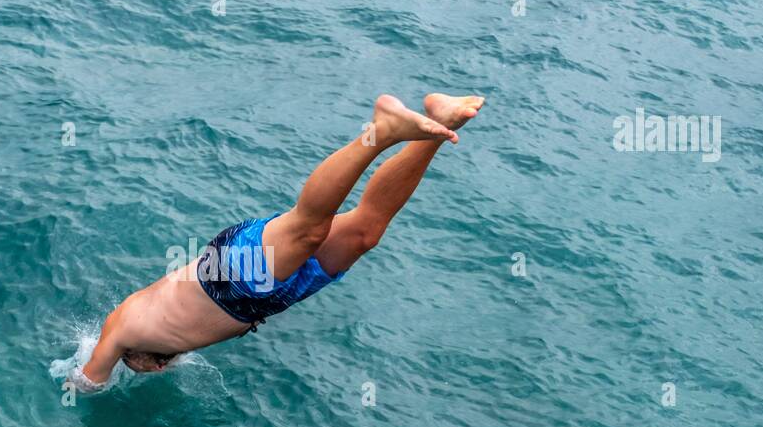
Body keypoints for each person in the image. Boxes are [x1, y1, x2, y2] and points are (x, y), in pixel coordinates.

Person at [70, 92, 485, 391]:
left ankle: (380, 130)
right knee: (365, 231)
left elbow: (91, 375)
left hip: (227, 276)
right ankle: (439, 125)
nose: (154, 370)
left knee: (309, 227)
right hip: (269, 296)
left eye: (145, 368)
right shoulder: (167, 345)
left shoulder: (124, 327)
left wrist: (81, 382)